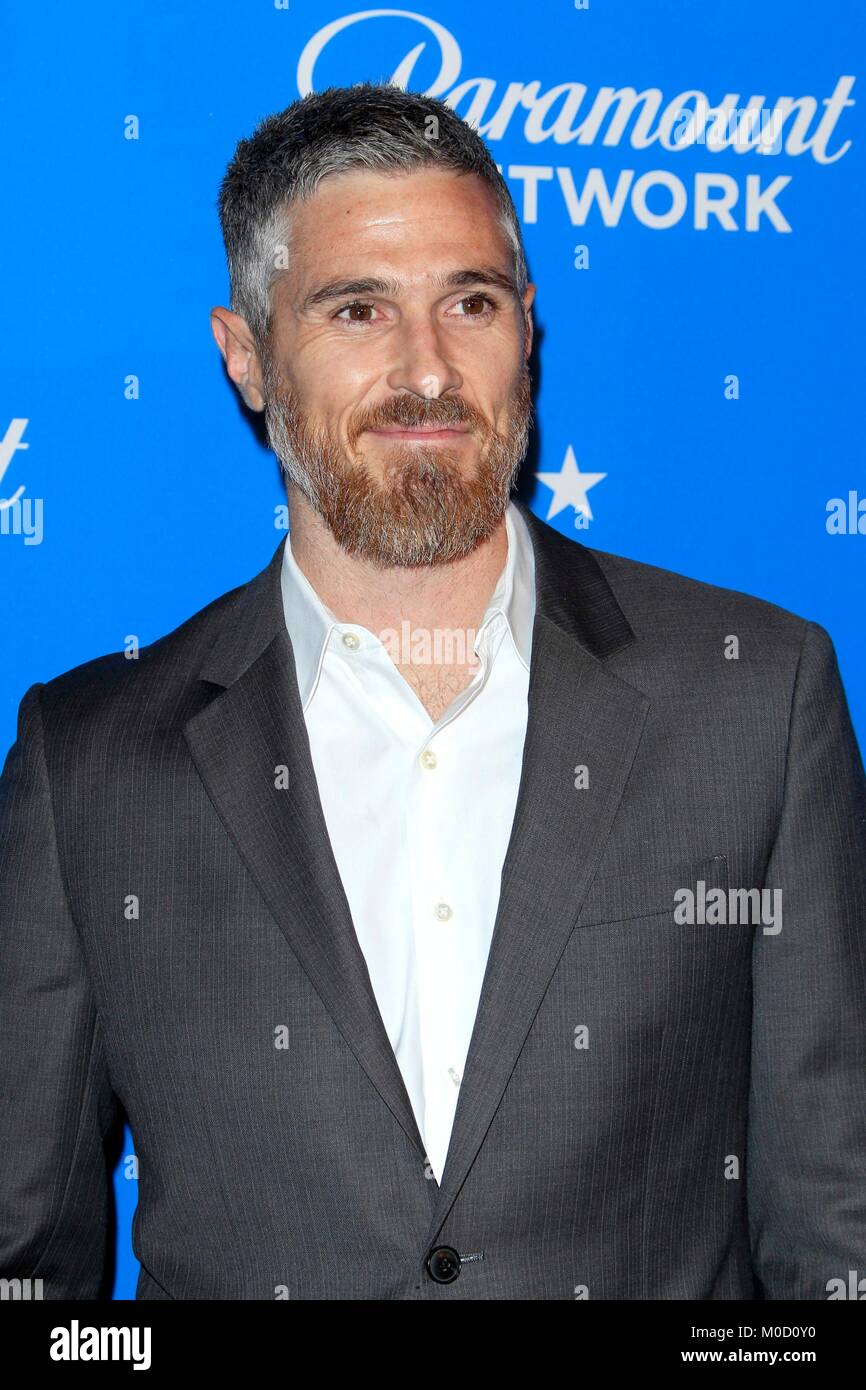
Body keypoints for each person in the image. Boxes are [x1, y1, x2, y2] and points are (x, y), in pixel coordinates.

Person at [1, 82, 864, 1301]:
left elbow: (837, 1225)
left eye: (470, 302)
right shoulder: (87, 757)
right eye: (357, 310)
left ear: (528, 328)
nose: (428, 372)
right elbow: (27, 1266)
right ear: (244, 355)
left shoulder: (751, 697)